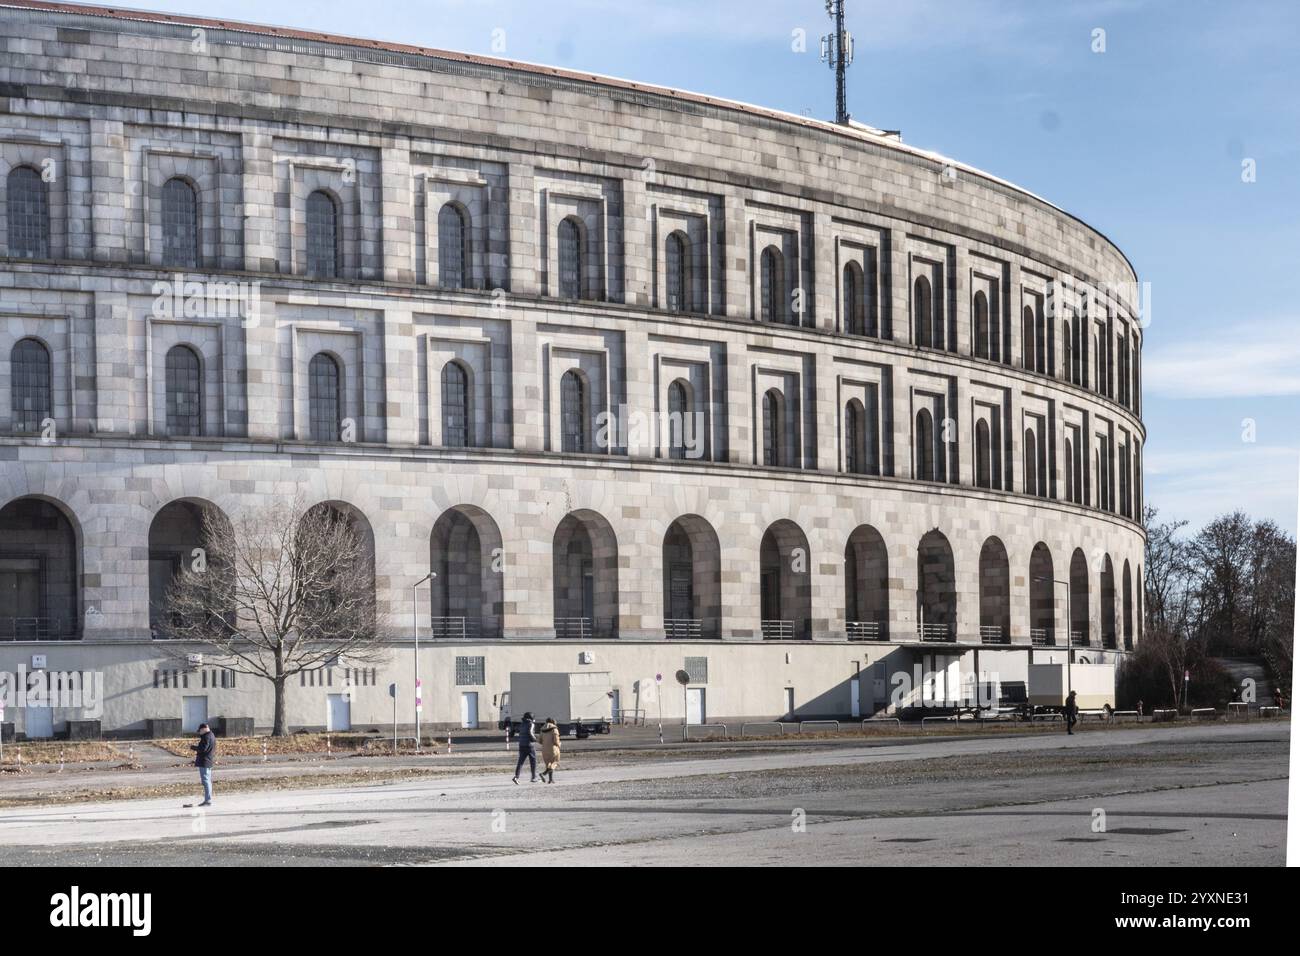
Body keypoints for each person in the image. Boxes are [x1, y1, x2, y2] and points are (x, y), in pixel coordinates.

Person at [190, 722, 216, 806]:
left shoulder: (206, 736)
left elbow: (203, 749)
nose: (199, 733)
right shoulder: (211, 735)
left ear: (204, 729)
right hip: (208, 761)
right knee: (207, 780)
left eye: (200, 731)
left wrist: (193, 747)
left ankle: (208, 800)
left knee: (206, 781)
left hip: (204, 761)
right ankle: (208, 799)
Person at [512, 711, 538, 784]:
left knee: (520, 762)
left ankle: (516, 777)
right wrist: (534, 739)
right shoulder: (531, 724)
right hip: (529, 745)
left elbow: (516, 730)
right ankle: (533, 777)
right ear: (531, 718)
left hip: (521, 745)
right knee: (533, 761)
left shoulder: (522, 724)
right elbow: (530, 732)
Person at [539, 717, 561, 784]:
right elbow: (556, 741)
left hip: (544, 749)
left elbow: (540, 741)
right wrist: (559, 745)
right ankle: (543, 774)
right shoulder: (554, 729)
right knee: (555, 762)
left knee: (548, 764)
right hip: (553, 749)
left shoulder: (542, 730)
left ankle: (550, 779)